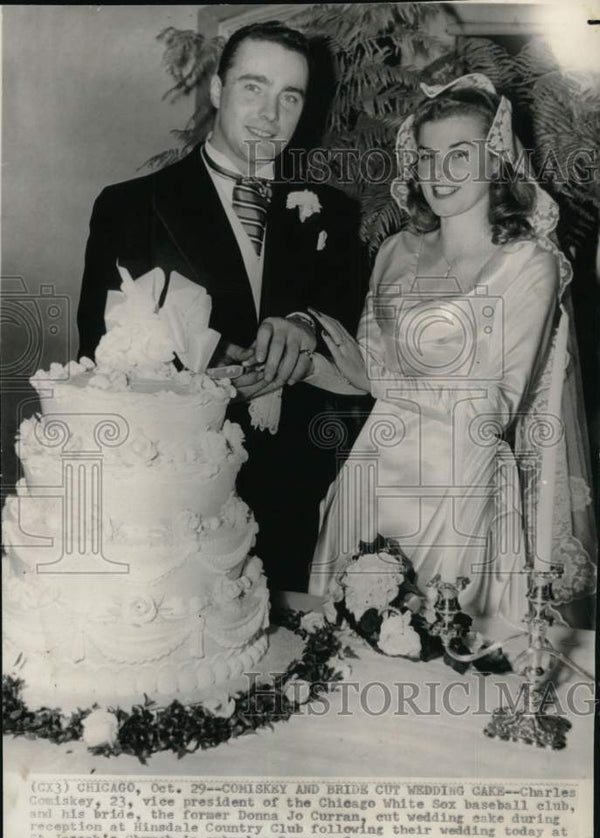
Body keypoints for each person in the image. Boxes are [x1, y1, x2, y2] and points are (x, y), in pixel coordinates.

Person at [77, 21, 370, 592]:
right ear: (217, 89)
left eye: (291, 96)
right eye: (253, 88)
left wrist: (307, 324)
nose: (270, 113)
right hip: (180, 508)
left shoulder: (332, 215)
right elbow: (97, 358)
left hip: (299, 504)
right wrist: (200, 380)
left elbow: (355, 332)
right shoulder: (132, 209)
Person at [306, 74, 596, 626]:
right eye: (427, 156)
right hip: (371, 479)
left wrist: (380, 385)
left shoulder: (529, 264)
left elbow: (498, 405)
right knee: (345, 658)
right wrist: (300, 367)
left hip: (463, 489)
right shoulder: (394, 250)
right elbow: (365, 369)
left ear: (497, 159)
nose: (439, 173)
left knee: (452, 655)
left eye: (460, 155)